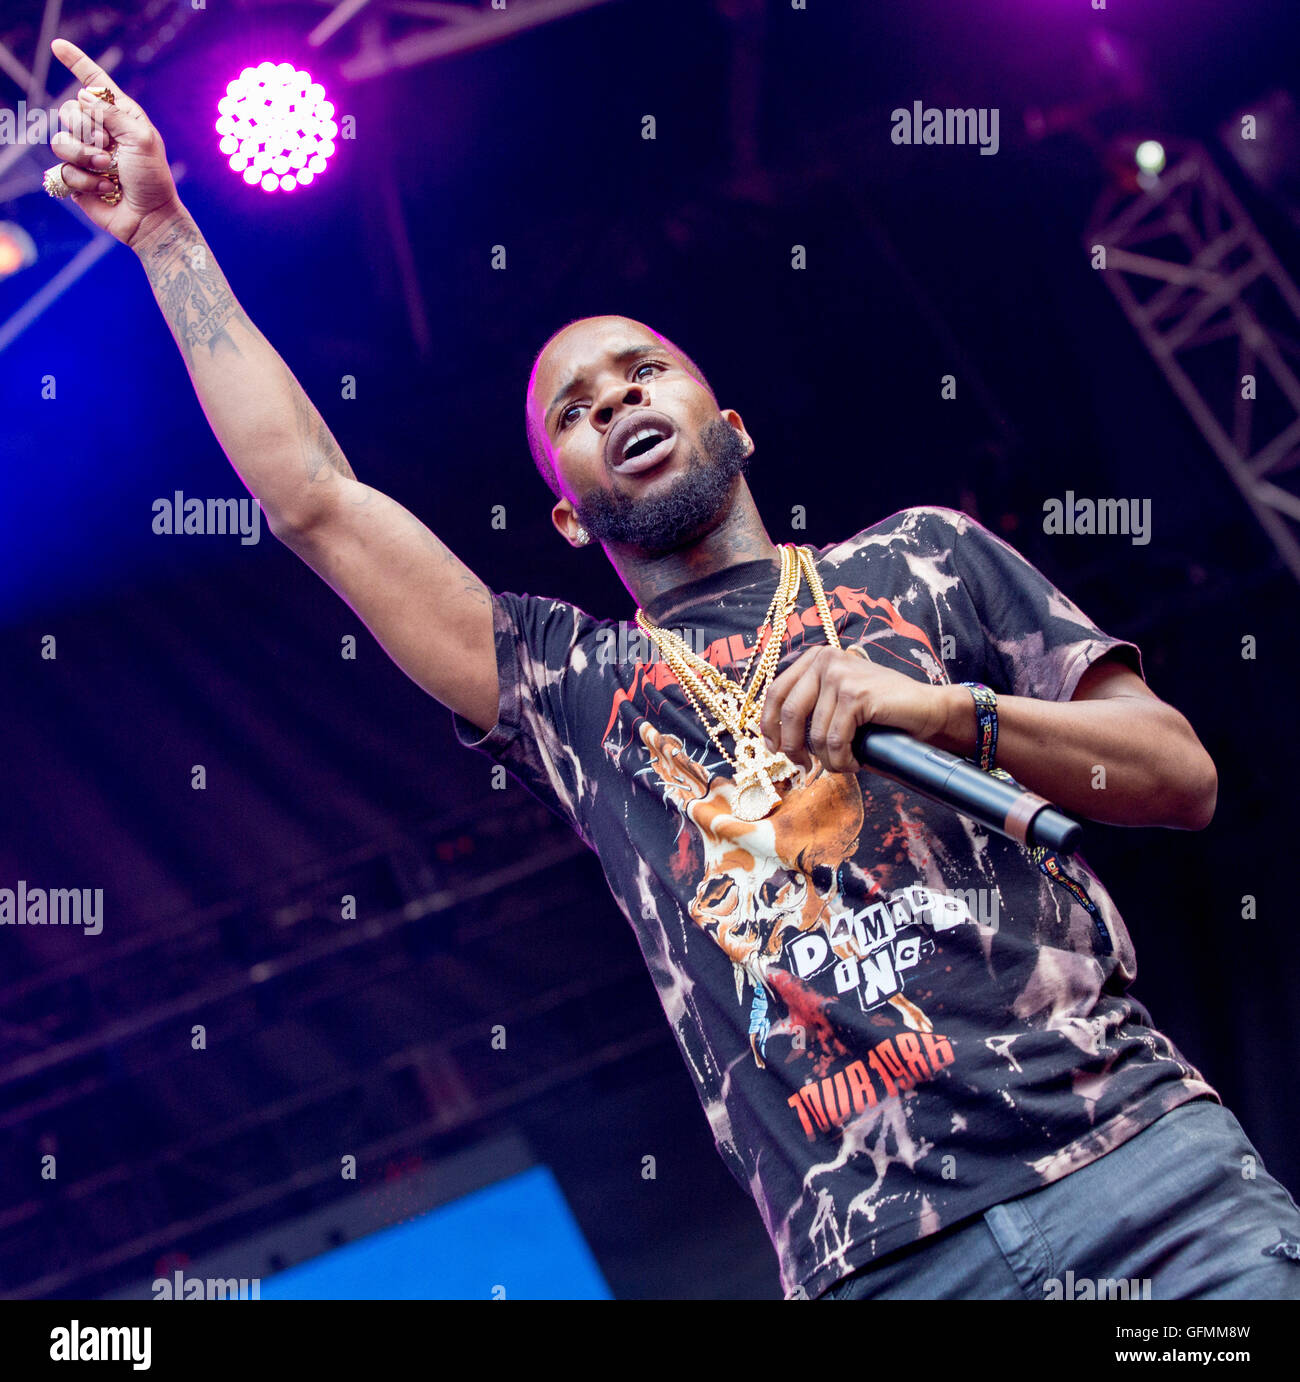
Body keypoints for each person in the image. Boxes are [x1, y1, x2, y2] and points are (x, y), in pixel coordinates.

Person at [46, 40, 1300, 1301]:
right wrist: (164, 236)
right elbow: (317, 499)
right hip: (888, 1261)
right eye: (574, 414)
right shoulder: (569, 686)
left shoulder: (930, 558)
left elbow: (1176, 775)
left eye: (641, 371)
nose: (616, 404)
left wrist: (940, 709)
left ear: (730, 422)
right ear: (571, 518)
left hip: (1146, 1179)